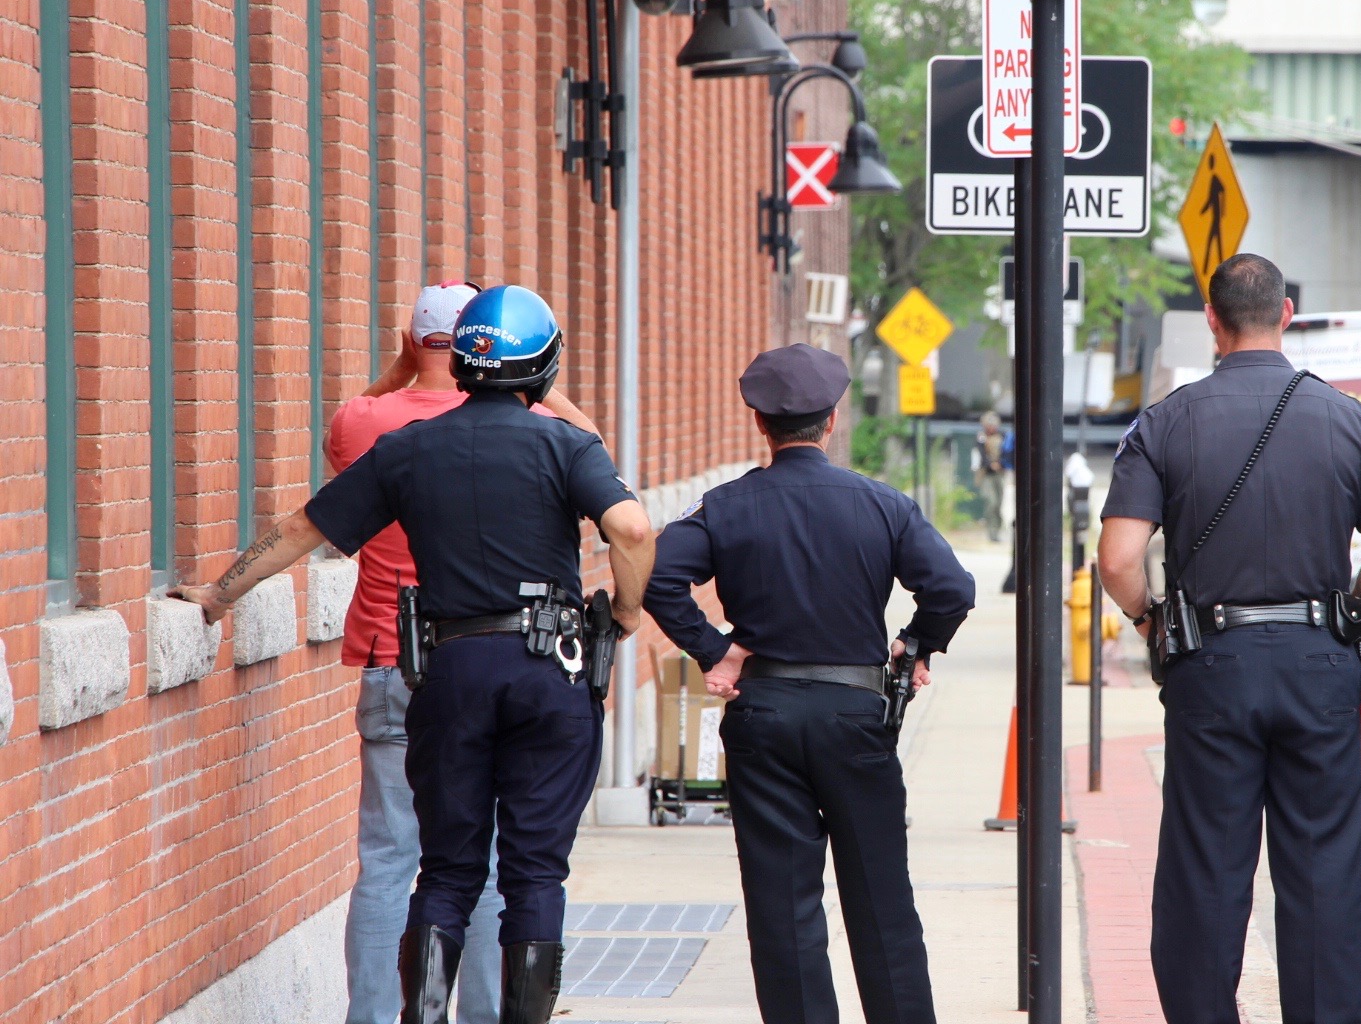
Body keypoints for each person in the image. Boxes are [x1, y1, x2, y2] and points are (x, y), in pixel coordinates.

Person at [172, 284, 656, 1024]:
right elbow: (633, 529)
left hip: (450, 668)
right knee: (531, 874)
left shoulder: (406, 448)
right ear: (544, 368)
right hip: (546, 674)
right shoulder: (565, 444)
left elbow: (304, 529)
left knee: (447, 870)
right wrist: (622, 613)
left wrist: (217, 595)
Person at [1096, 253, 1361, 1024]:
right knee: (1323, 867)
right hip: (1319, 662)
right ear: (1287, 313)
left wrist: (1152, 623)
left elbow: (1117, 559)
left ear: (1212, 321)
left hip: (1211, 666)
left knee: (1205, 865)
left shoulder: (1164, 423)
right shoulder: (1348, 418)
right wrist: (1357, 608)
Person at [641, 343, 976, 1024]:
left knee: (782, 907)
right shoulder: (881, 504)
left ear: (759, 424)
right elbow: (952, 588)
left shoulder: (728, 506)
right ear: (831, 420)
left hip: (762, 714)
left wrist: (716, 651)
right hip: (855, 715)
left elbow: (655, 576)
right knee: (882, 899)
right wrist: (917, 644)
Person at [328, 281, 602, 1024]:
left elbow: (359, 423)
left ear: (417, 341)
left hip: (402, 661)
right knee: (491, 867)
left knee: (397, 860)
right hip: (517, 656)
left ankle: (379, 1016)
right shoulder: (545, 436)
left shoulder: (370, 428)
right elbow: (593, 448)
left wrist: (404, 365)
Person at [972, 410, 1007, 542]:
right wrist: (990, 464)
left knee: (999, 503)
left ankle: (997, 529)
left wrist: (1001, 464)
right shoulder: (981, 437)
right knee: (991, 502)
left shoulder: (1002, 436)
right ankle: (992, 533)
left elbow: (1007, 451)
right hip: (986, 474)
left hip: (1000, 474)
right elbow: (980, 454)